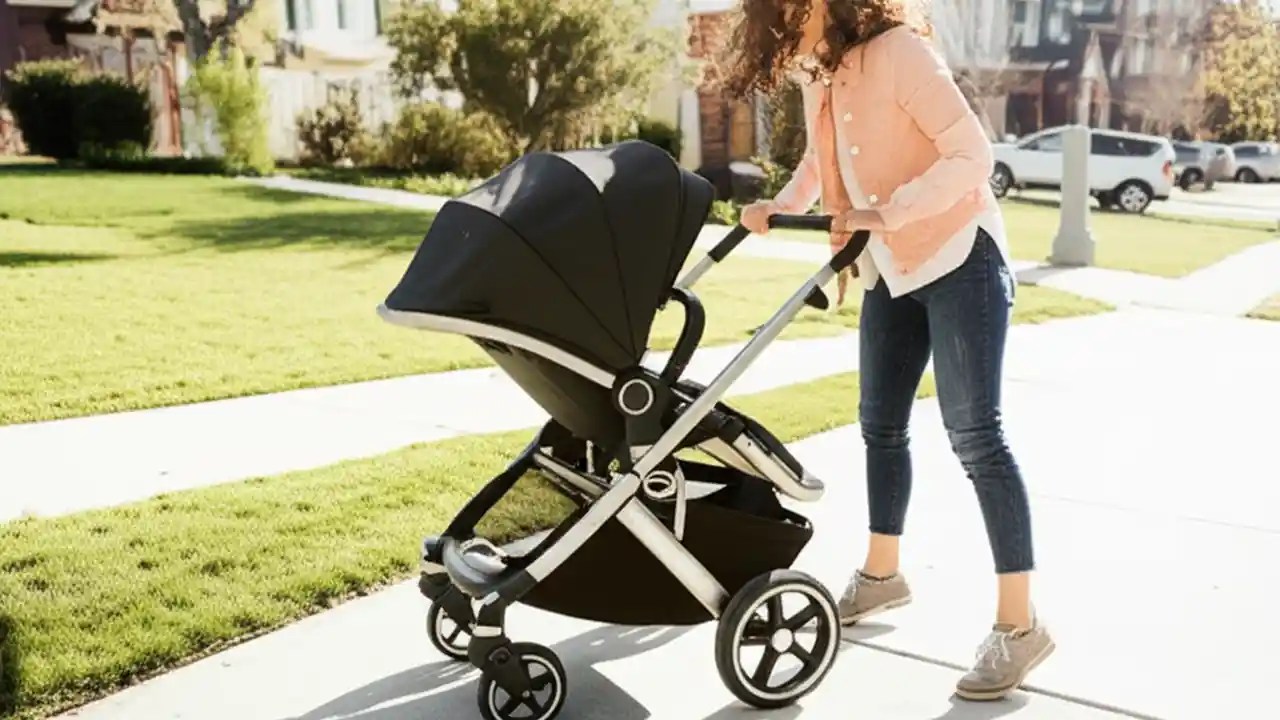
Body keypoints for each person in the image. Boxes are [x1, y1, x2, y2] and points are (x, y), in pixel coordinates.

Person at [728, 0, 1054, 701]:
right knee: (879, 424)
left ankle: (1020, 625)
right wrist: (780, 205)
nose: (780, 32)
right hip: (890, 265)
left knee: (976, 435)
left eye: (783, 14)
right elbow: (823, 159)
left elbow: (972, 156)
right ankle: (882, 574)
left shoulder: (899, 51)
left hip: (959, 255)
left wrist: (889, 211)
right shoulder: (821, 71)